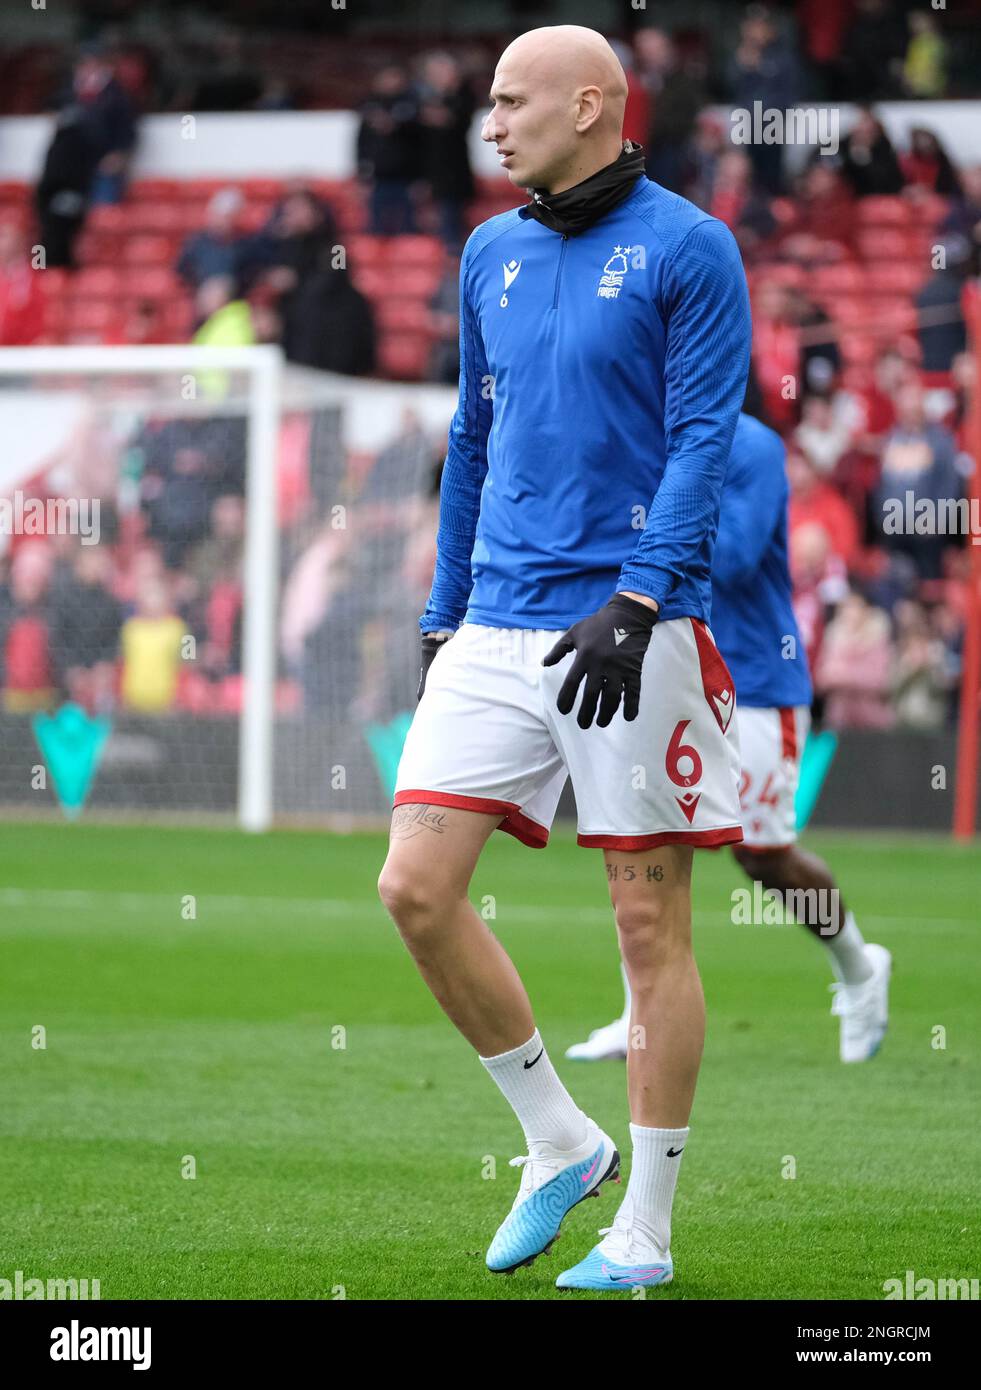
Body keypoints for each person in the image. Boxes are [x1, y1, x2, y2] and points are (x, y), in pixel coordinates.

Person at [377, 24, 750, 1292]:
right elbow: (471, 446)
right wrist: (442, 614)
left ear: (590, 102)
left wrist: (643, 597)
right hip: (496, 620)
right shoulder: (489, 250)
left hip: (632, 628)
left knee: (648, 923)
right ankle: (557, 1138)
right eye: (487, 99)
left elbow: (706, 435)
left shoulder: (691, 248)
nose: (490, 119)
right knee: (415, 887)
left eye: (509, 98)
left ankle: (644, 1227)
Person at [567, 414, 892, 1068]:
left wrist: (643, 539)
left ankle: (858, 967)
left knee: (763, 857)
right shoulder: (628, 427)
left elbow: (737, 555)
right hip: (661, 666)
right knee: (641, 835)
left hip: (753, 679)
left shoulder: (748, 443)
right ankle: (637, 1013)